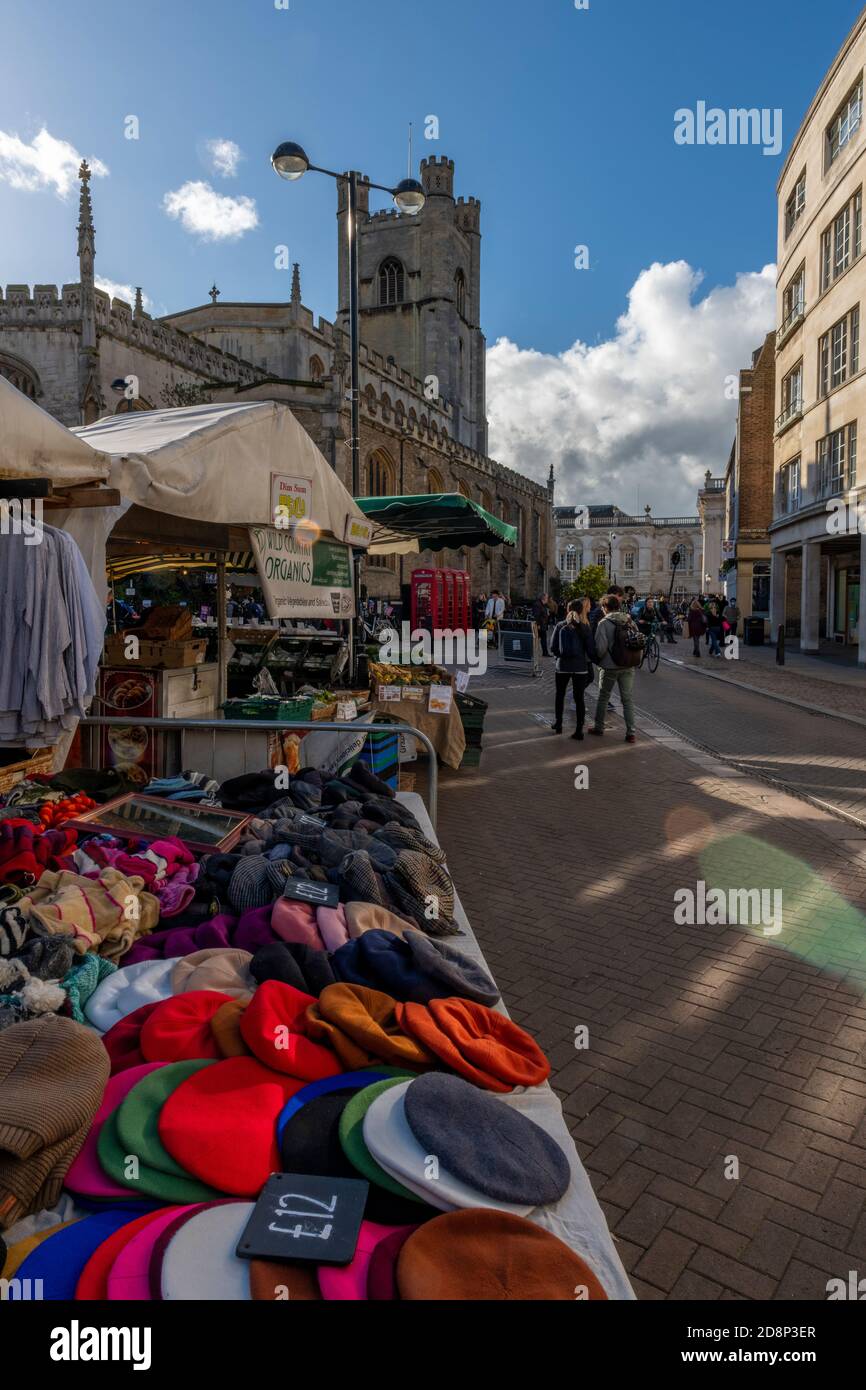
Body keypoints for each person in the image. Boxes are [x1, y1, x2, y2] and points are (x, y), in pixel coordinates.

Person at [589, 596, 639, 744]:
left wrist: (599, 659)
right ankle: (631, 732)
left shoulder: (604, 623)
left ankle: (599, 727)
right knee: (627, 699)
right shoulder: (629, 620)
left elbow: (601, 648)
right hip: (627, 665)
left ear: (605, 608)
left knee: (604, 697)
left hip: (610, 666)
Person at [549, 598, 595, 739]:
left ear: (568, 610)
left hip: (562, 666)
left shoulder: (560, 625)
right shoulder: (585, 627)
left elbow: (553, 648)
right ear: (581, 611)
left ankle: (558, 724)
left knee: (560, 695)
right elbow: (591, 650)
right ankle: (579, 730)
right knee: (579, 698)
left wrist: (560, 656)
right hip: (580, 667)